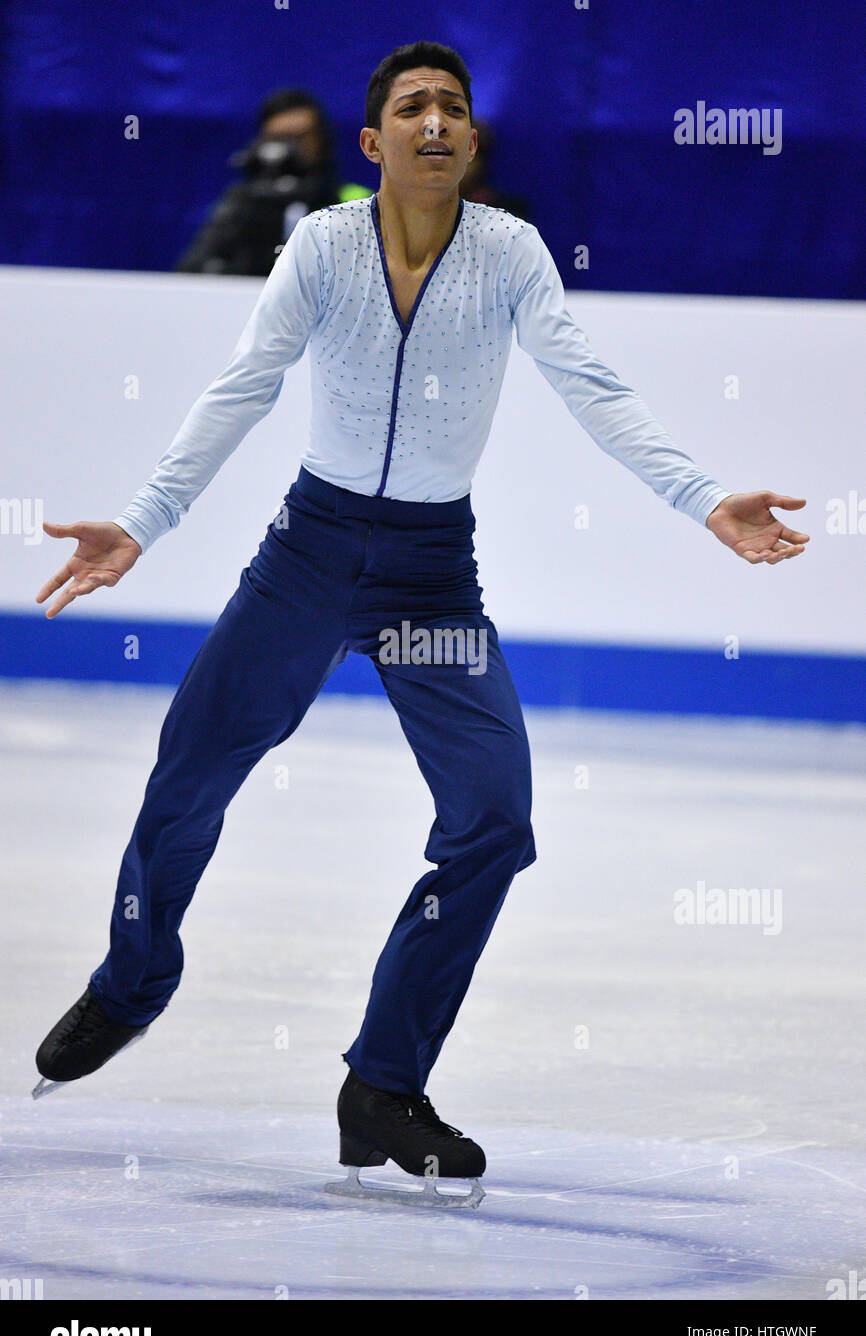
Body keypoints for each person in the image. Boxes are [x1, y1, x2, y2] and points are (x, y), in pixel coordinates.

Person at [33, 41, 809, 1207]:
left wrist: (702, 500)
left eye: (453, 107)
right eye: (412, 107)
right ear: (373, 142)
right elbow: (242, 383)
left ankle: (381, 1082)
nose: (435, 122)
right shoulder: (321, 246)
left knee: (495, 816)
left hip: (429, 580)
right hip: (308, 557)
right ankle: (134, 980)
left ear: (471, 142)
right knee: (186, 775)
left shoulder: (508, 254)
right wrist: (144, 522)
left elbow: (591, 382)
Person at [174, 88, 373, 277]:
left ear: (321, 140)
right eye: (278, 138)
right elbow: (192, 269)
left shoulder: (354, 200)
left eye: (299, 138)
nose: (288, 148)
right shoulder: (242, 200)